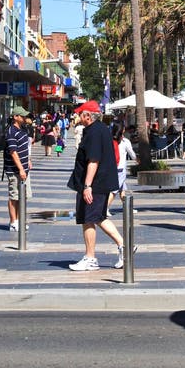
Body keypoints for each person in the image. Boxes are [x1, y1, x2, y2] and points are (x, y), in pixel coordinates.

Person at [67, 101, 129, 271]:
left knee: (88, 219)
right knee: (99, 217)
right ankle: (125, 246)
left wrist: (87, 186)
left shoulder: (94, 132)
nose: (78, 116)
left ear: (88, 115)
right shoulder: (101, 129)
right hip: (100, 183)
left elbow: (93, 160)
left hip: (95, 184)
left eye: (81, 113)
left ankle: (90, 258)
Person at [3, 104, 32, 232]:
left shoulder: (23, 129)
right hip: (14, 170)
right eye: (23, 115)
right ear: (15, 117)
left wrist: (29, 161)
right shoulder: (11, 132)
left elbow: (25, 147)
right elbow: (13, 152)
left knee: (23, 196)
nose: (25, 117)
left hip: (25, 169)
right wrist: (20, 169)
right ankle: (13, 221)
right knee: (14, 196)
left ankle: (20, 220)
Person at [107, 124, 138, 216]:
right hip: (120, 169)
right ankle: (105, 208)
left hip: (112, 168)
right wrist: (137, 159)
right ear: (123, 130)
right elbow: (131, 153)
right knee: (114, 190)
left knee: (122, 189)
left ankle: (128, 208)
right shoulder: (125, 141)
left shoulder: (110, 140)